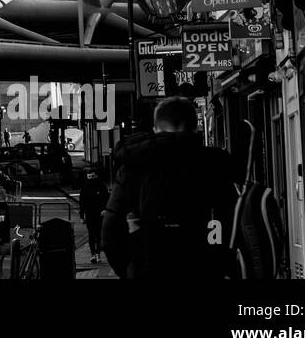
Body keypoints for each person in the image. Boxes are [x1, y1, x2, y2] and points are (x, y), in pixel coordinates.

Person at [101, 97, 238, 280]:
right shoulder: (215, 163)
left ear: (156, 129)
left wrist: (131, 270)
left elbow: (111, 230)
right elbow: (232, 219)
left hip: (149, 270)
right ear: (195, 126)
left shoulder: (134, 167)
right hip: (206, 270)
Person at [79, 169, 110, 263]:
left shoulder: (101, 186)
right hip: (89, 214)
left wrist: (105, 209)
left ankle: (98, 254)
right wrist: (81, 216)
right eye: (89, 177)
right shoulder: (84, 187)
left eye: (93, 176)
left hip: (100, 213)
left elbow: (106, 198)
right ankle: (93, 254)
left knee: (99, 234)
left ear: (96, 176)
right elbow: (82, 202)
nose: (91, 178)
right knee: (91, 234)